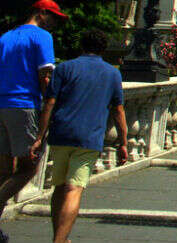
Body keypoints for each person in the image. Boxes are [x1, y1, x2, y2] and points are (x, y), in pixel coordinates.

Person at [29, 29, 127, 243]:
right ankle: (59, 241)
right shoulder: (112, 73)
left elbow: (50, 103)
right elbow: (118, 110)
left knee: (59, 187)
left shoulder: (64, 68)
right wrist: (123, 143)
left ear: (82, 46)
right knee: (74, 189)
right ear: (103, 49)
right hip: (89, 138)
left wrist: (39, 136)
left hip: (61, 133)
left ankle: (60, 237)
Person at [0, 0, 61, 229]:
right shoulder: (42, 37)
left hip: (2, 104)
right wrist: (50, 105)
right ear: (42, 13)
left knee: (4, 171)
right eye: (53, 17)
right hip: (24, 104)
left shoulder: (5, 37)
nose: (54, 23)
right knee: (29, 167)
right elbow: (45, 76)